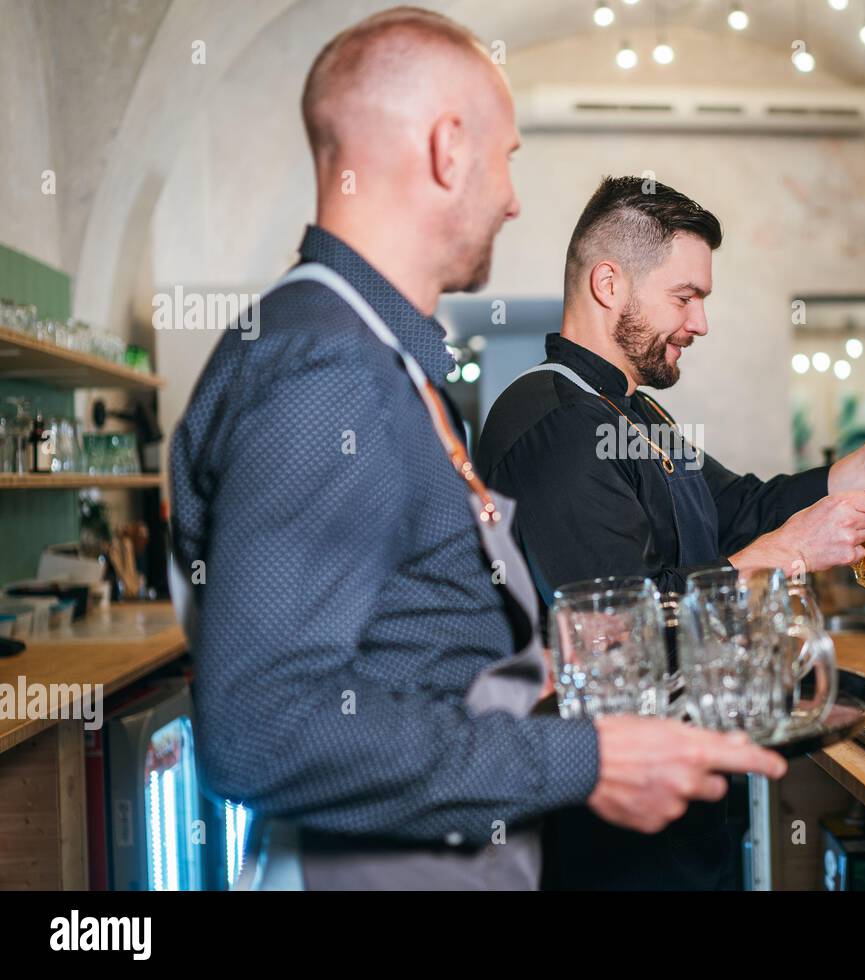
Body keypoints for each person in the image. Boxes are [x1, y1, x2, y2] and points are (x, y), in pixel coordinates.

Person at [169, 8, 785, 891]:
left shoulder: (379, 355)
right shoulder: (329, 368)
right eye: (507, 158)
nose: (512, 196)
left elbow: (417, 664)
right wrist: (584, 761)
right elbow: (261, 724)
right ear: (448, 148)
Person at [475, 176, 865, 889]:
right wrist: (787, 554)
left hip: (685, 801)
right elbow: (615, 632)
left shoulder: (635, 417)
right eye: (685, 297)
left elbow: (746, 507)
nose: (700, 323)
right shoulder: (557, 425)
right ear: (610, 284)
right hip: (616, 832)